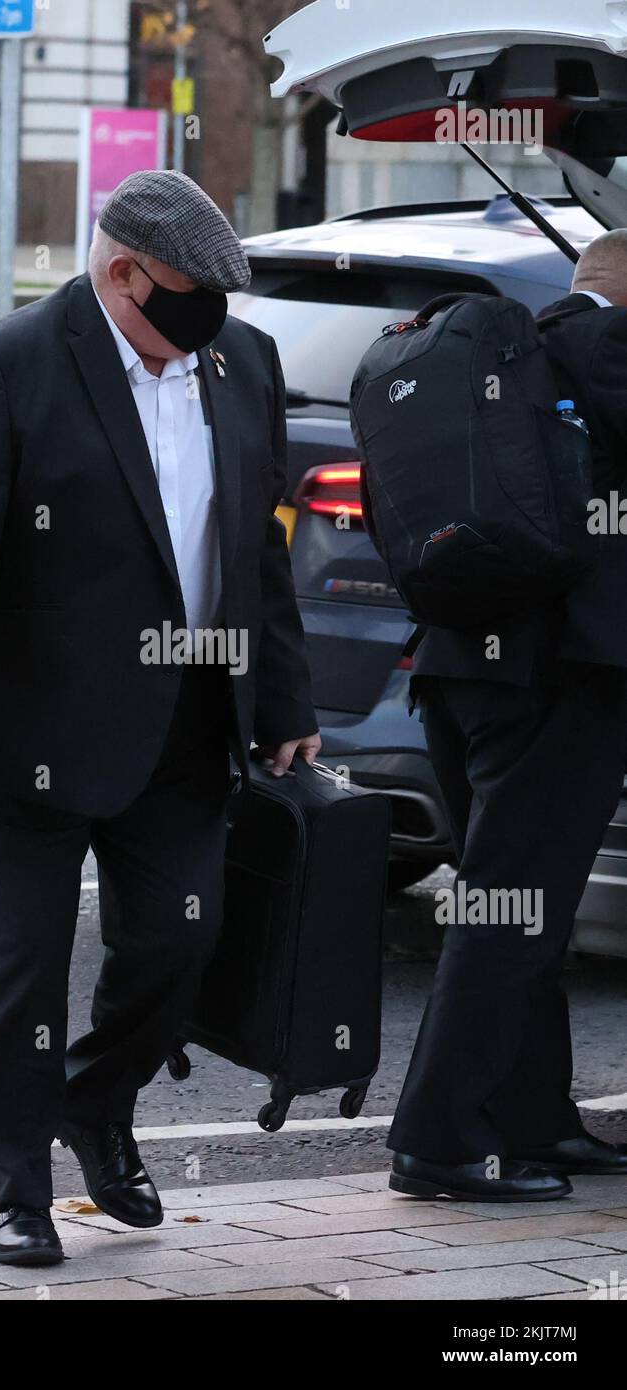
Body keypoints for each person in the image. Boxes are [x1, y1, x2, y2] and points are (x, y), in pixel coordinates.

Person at [0, 170, 319, 1265]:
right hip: (27, 734)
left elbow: (254, 550)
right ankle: (17, 1189)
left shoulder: (243, 363)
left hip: (184, 723)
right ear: (121, 274)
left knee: (181, 938)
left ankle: (94, 1099)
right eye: (184, 301)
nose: (203, 327)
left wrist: (281, 698)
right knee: (21, 971)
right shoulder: (6, 365)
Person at [389, 230, 627, 1202]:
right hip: (559, 680)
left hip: (455, 669)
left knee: (520, 905)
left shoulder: (516, 351)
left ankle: (533, 1121)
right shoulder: (608, 352)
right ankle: (434, 1142)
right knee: (508, 910)